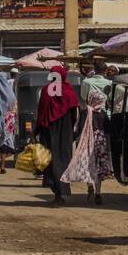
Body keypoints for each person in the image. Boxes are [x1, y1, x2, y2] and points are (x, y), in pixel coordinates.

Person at [36, 64, 81, 207]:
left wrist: (37, 130)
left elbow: (41, 113)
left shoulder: (45, 91)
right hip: (65, 132)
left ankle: (57, 195)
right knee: (62, 159)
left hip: (49, 132)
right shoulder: (69, 91)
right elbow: (75, 113)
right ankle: (61, 193)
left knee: (51, 161)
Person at [62, 89, 114, 204]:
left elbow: (80, 128)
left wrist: (73, 138)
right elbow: (108, 131)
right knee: (98, 168)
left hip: (87, 142)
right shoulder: (104, 114)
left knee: (88, 165)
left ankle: (90, 187)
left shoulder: (85, 112)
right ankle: (98, 193)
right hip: (100, 143)